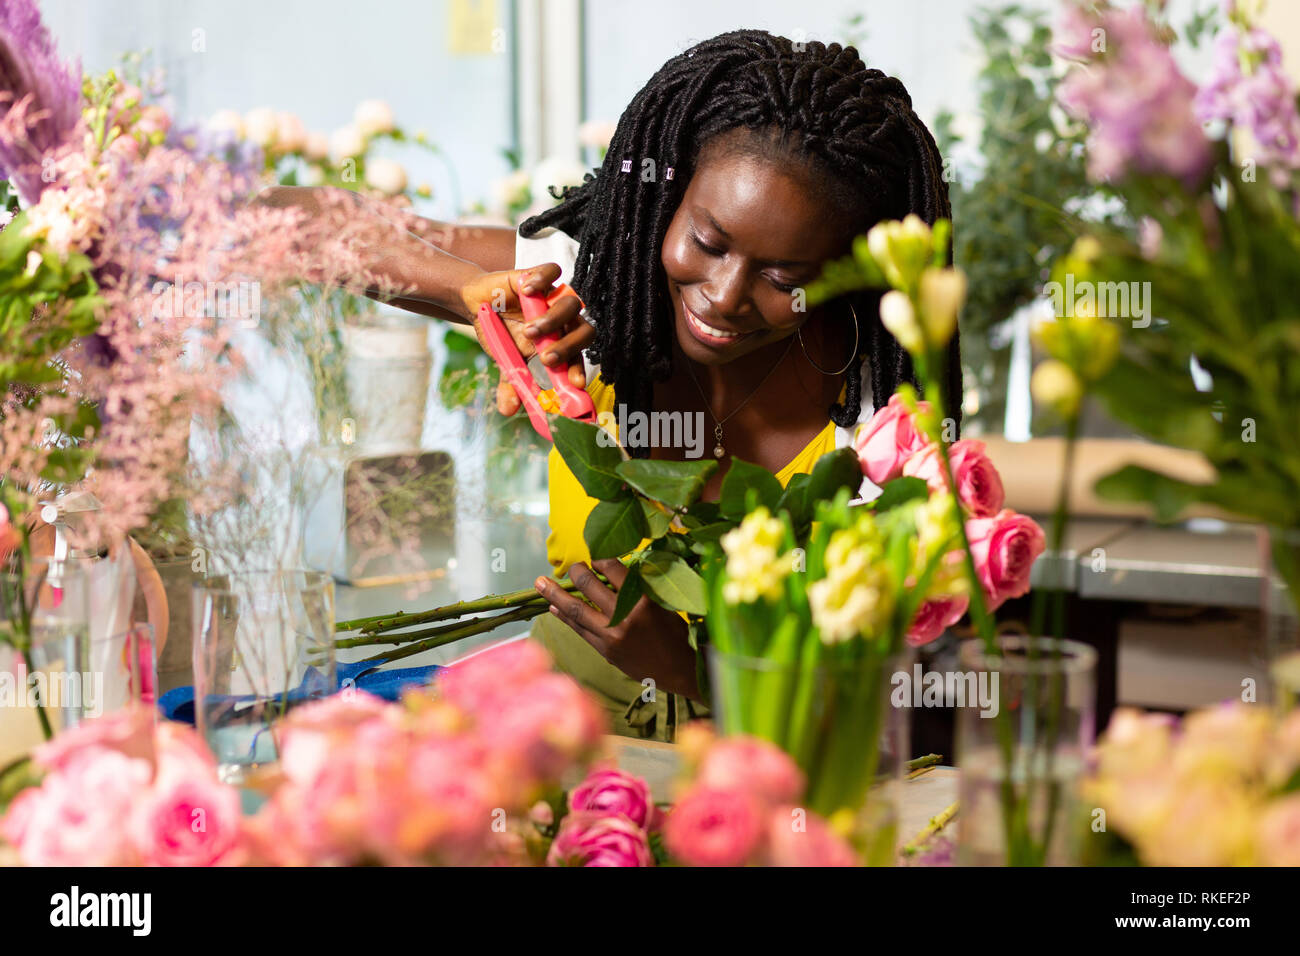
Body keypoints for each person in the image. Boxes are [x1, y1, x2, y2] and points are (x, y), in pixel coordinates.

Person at [262, 29, 960, 741]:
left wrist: (693, 671)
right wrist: (465, 289)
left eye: (784, 279)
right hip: (557, 754)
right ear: (674, 194)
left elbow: (876, 706)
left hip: (754, 774)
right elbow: (283, 216)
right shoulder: (592, 291)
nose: (723, 295)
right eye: (708, 242)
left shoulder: (877, 413)